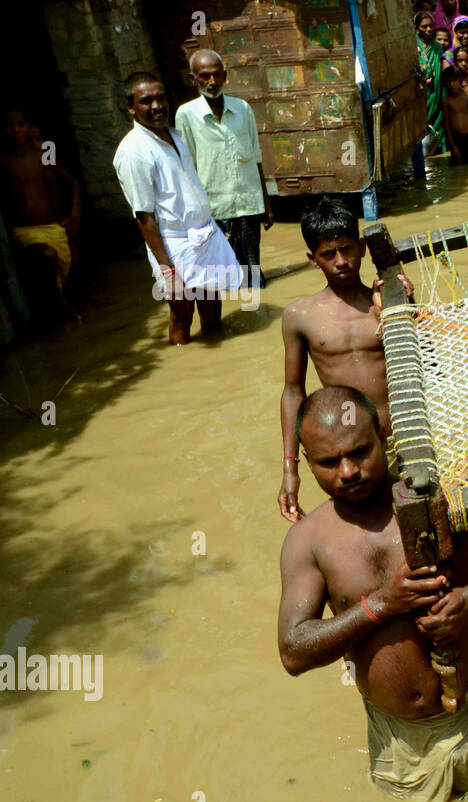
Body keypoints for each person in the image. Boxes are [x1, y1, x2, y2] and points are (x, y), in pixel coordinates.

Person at [278, 385, 468, 802]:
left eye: (359, 452)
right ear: (306, 463)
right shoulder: (308, 542)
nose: (348, 471)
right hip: (399, 741)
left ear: (383, 435)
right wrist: (380, 606)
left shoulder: (436, 495)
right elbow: (293, 652)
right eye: (328, 462)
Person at [277, 197, 411, 522]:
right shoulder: (300, 316)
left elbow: (426, 361)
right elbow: (294, 390)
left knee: (429, 527)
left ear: (362, 247)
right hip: (353, 448)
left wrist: (401, 308)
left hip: (408, 435)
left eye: (347, 249)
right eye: (328, 254)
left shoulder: (387, 300)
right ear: (313, 259)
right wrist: (289, 468)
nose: (341, 261)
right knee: (369, 533)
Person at [113, 72, 243, 345]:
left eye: (160, 98)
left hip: (204, 235)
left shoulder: (175, 136)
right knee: (182, 313)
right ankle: (183, 359)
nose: (157, 106)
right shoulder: (135, 151)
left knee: (212, 305)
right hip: (174, 244)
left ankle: (214, 361)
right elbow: (144, 217)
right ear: (130, 107)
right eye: (146, 101)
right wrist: (168, 271)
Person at [176, 50, 273, 290]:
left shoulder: (242, 109)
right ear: (193, 79)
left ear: (225, 76)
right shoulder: (186, 115)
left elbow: (256, 156)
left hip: (247, 204)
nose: (212, 82)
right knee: (220, 277)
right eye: (205, 76)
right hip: (213, 209)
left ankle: (258, 312)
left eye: (217, 75)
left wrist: (266, 204)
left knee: (252, 272)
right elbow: (185, 168)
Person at [1, 107, 82, 324]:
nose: (15, 130)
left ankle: (66, 304)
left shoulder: (43, 155)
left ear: (28, 127)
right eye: (10, 126)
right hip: (24, 231)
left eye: (20, 124)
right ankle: (61, 308)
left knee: (68, 262)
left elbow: (72, 182)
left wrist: (74, 214)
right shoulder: (3, 161)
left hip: (52, 226)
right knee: (46, 255)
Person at [415, 11, 448, 157]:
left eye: (431, 26)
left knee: (438, 135)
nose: (428, 29)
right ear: (417, 29)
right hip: (421, 98)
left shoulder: (437, 47)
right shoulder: (411, 47)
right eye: (424, 26)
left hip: (436, 96)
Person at [442, 65, 468, 165]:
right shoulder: (446, 100)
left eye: (454, 80)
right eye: (448, 82)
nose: (452, 84)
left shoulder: (466, 98)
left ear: (459, 80)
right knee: (459, 164)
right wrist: (453, 145)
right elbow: (446, 124)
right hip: (456, 138)